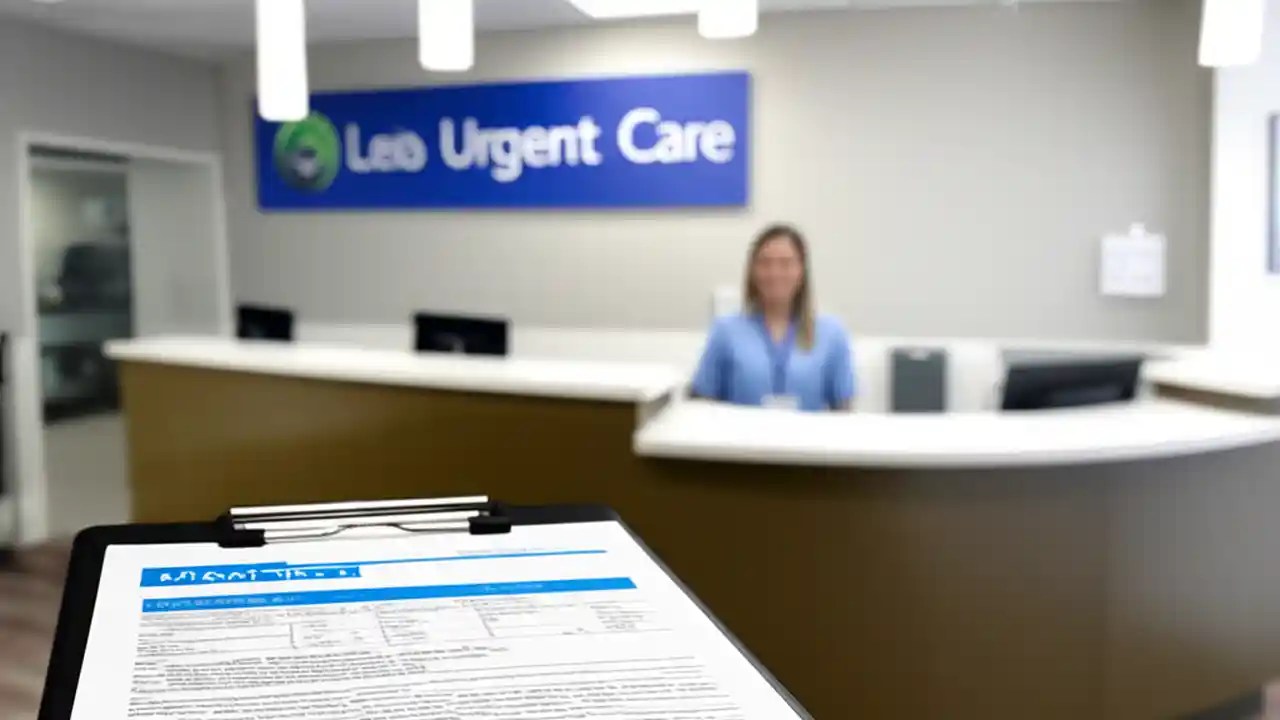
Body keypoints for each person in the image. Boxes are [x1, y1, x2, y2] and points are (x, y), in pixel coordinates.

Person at [692, 224, 855, 412]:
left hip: (807, 440)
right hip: (740, 439)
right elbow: (703, 401)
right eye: (765, 263)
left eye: (786, 263)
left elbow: (843, 408)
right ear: (752, 271)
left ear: (802, 272)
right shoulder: (726, 330)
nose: (774, 273)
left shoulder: (831, 333)